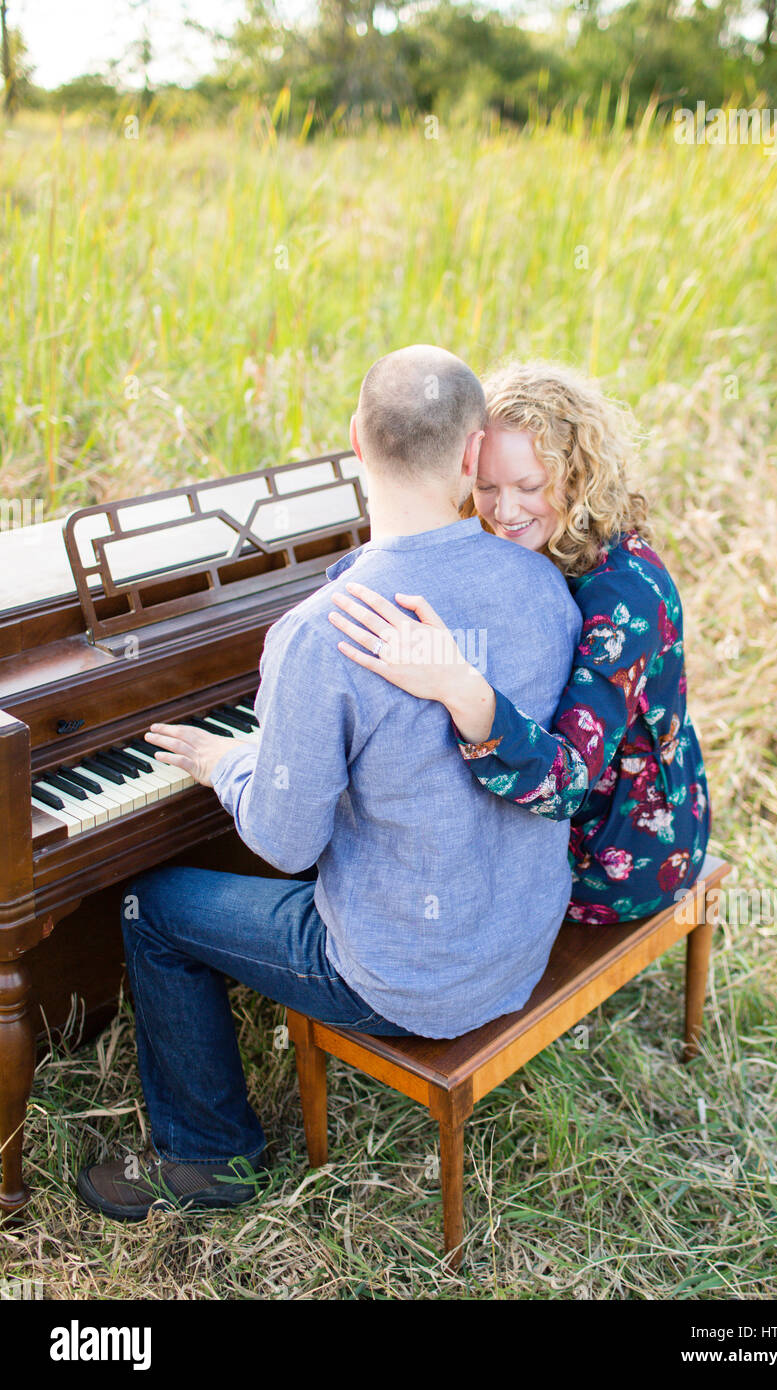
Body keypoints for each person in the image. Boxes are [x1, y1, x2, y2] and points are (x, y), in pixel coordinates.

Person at [75, 346, 581, 1221]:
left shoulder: (325, 632)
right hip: (520, 937)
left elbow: (282, 843)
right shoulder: (543, 581)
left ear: (354, 442)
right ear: (471, 457)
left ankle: (207, 1159)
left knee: (149, 905)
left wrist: (228, 758)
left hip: (410, 980)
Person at [329, 360, 711, 928]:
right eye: (485, 487)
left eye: (531, 487)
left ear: (577, 477)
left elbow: (566, 787)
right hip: (563, 815)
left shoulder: (622, 596)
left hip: (617, 851)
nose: (505, 513)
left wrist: (459, 687)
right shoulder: (538, 544)